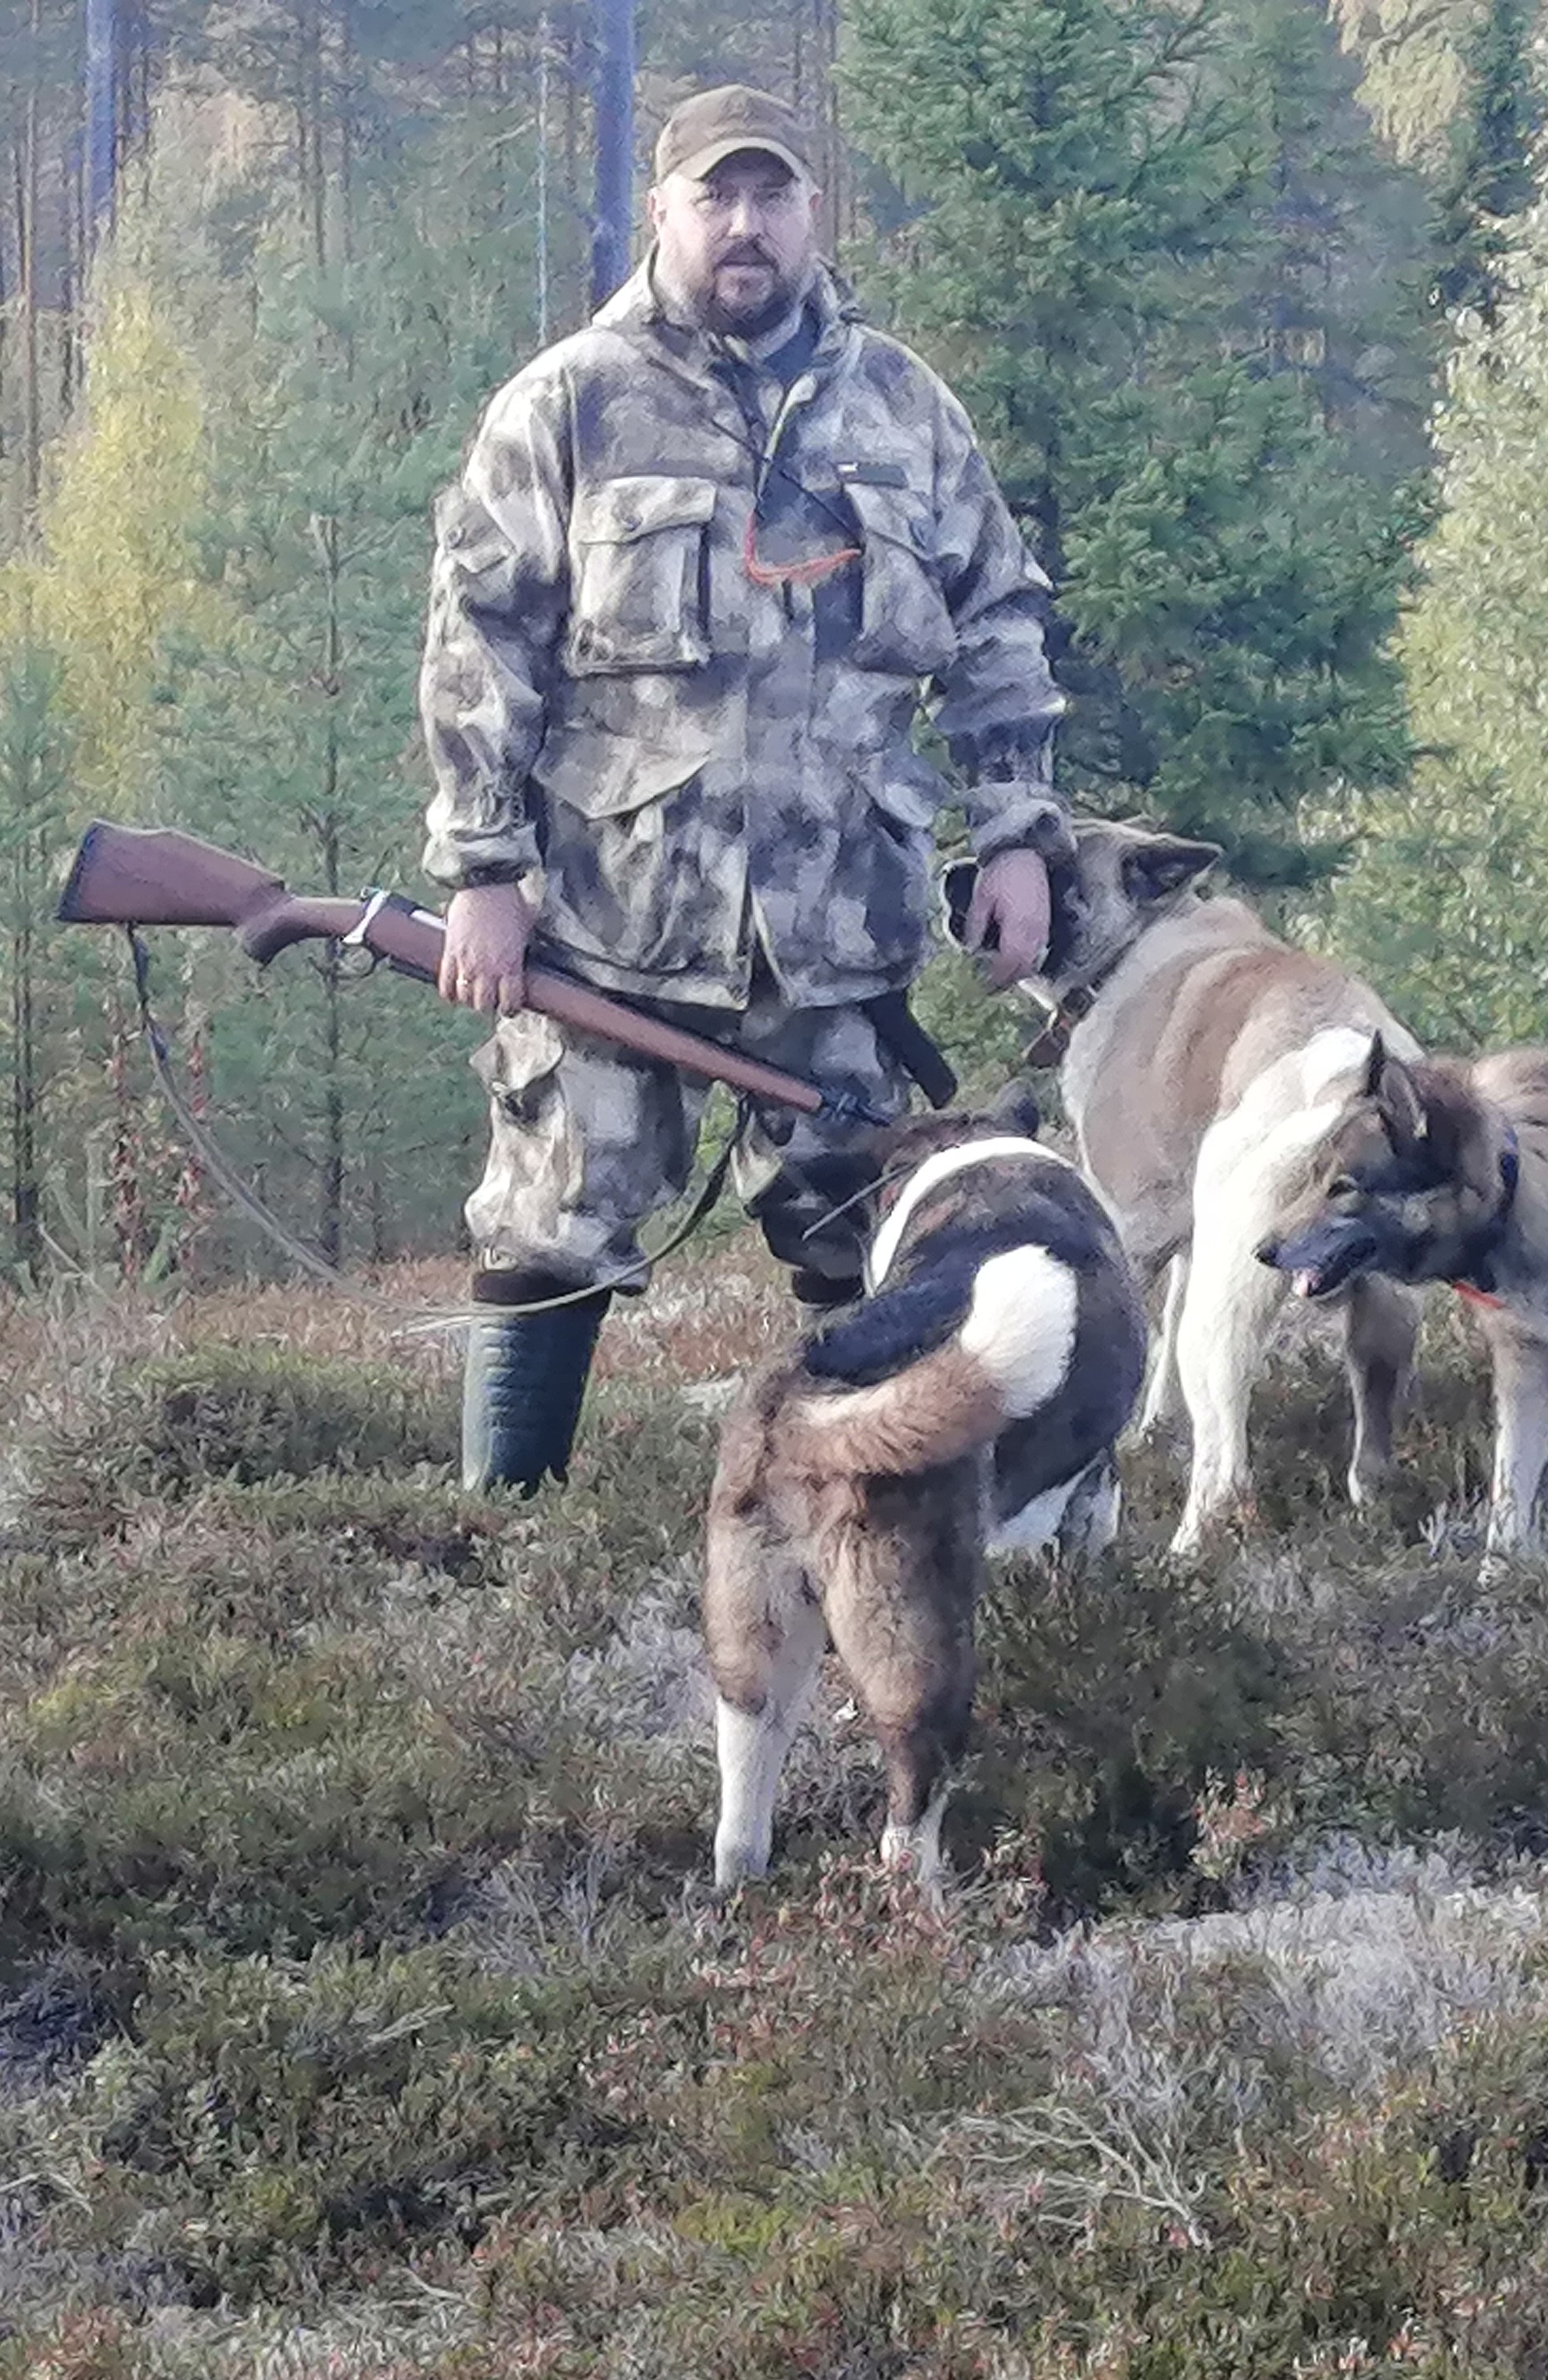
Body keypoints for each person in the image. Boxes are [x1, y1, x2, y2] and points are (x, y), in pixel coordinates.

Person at [419, 82, 1068, 1492]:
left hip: (841, 938)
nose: (745, 225)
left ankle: (873, 1536)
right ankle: (506, 1548)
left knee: (865, 1244)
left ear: (813, 212)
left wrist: (1017, 833)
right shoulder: (569, 403)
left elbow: (998, 621)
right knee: (549, 1227)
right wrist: (482, 874)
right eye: (716, 196)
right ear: (662, 210)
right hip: (612, 930)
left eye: (772, 195)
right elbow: (480, 644)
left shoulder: (903, 406)